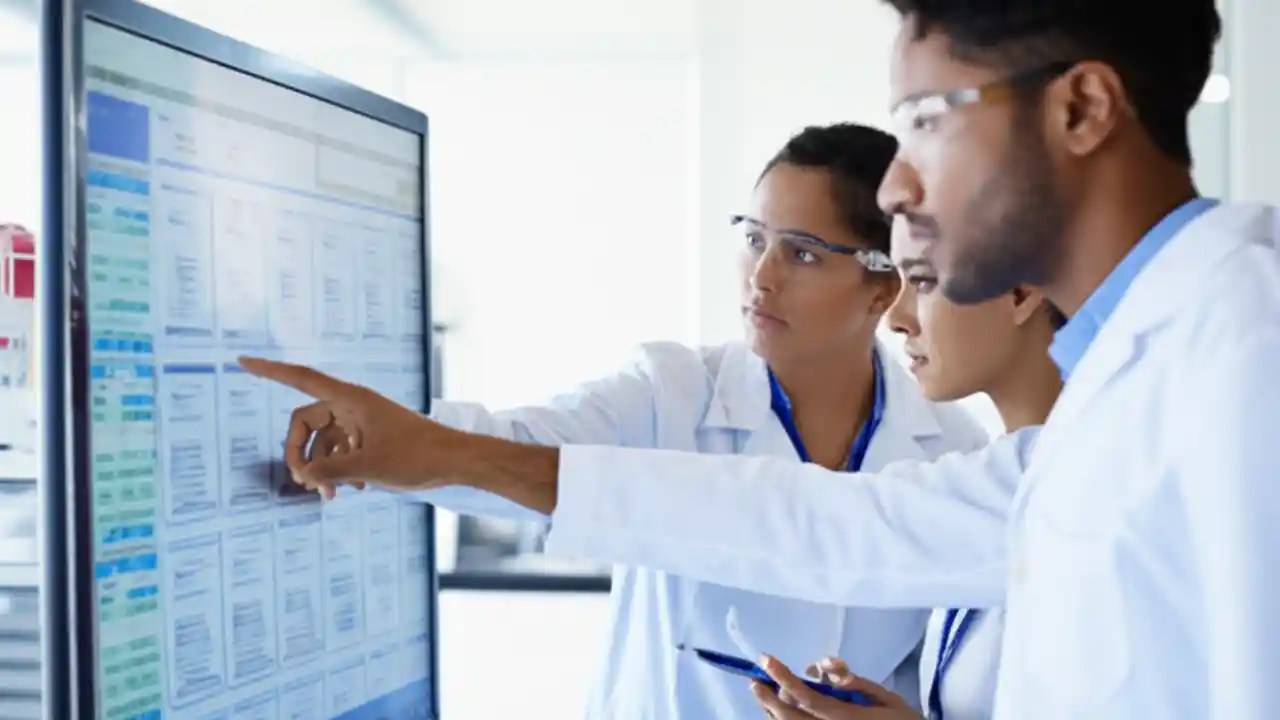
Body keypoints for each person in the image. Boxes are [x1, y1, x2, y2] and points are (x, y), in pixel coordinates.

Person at [243, 0, 1280, 717]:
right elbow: (833, 526)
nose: (900, 186)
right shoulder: (1123, 389)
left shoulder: (1241, 358)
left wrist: (445, 456)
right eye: (755, 240)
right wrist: (443, 453)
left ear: (1081, 109)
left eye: (926, 119)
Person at [247, 123, 990, 719]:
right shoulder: (671, 392)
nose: (760, 276)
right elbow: (521, 448)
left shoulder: (952, 453)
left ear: (881, 283)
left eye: (800, 252)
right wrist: (401, 440)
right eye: (754, 238)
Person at [750, 216, 1064, 720]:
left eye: (920, 282)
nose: (896, 317)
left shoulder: (1090, 497)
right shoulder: (990, 477)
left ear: (1022, 293)